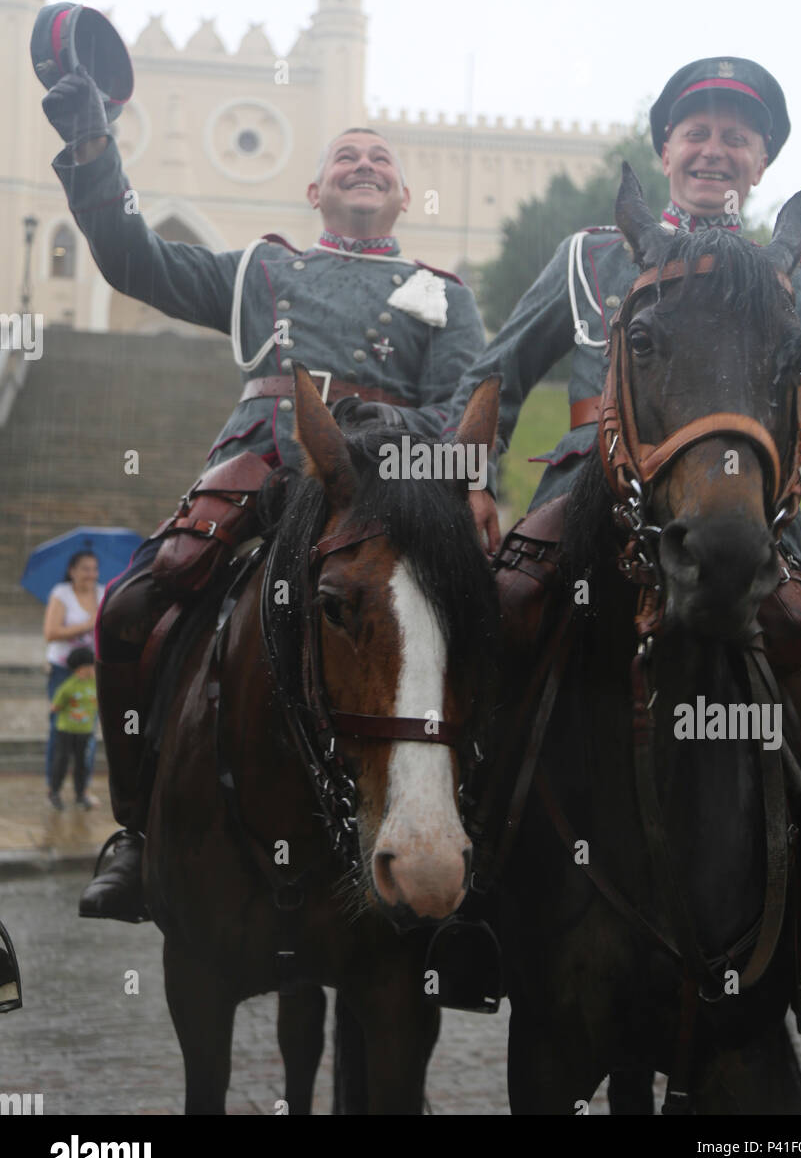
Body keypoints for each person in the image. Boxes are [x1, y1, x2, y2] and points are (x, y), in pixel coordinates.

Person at [449, 56, 801, 1049]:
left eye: (736, 134)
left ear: (759, 162)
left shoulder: (790, 272)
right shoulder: (587, 256)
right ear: (665, 149)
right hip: (586, 507)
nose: (714, 147)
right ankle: (466, 903)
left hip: (746, 524)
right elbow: (496, 371)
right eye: (697, 130)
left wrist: (784, 416)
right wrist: (470, 474)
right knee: (482, 638)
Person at [41, 67, 486, 921]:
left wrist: (429, 473)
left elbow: (465, 405)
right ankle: (137, 830)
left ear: (401, 196)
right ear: (316, 190)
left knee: (490, 615)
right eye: (347, 156)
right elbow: (135, 259)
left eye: (381, 159)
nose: (365, 164)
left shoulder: (442, 292)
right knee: (132, 604)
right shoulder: (259, 270)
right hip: (263, 470)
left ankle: (474, 825)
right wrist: (93, 147)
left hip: (388, 492)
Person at [42, 550, 104, 807]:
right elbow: (51, 632)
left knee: (88, 732)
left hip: (93, 673)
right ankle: (53, 788)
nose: (90, 574)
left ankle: (82, 790)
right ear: (72, 570)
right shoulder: (61, 593)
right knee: (61, 731)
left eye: (94, 569)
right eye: (85, 569)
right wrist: (87, 625)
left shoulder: (103, 592)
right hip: (63, 671)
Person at [48, 647, 98, 810]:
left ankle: (80, 794)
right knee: (61, 761)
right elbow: (55, 706)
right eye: (90, 666)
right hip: (66, 730)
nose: (92, 669)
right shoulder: (68, 686)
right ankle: (54, 792)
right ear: (80, 668)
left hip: (84, 731)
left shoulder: (94, 684)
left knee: (82, 764)